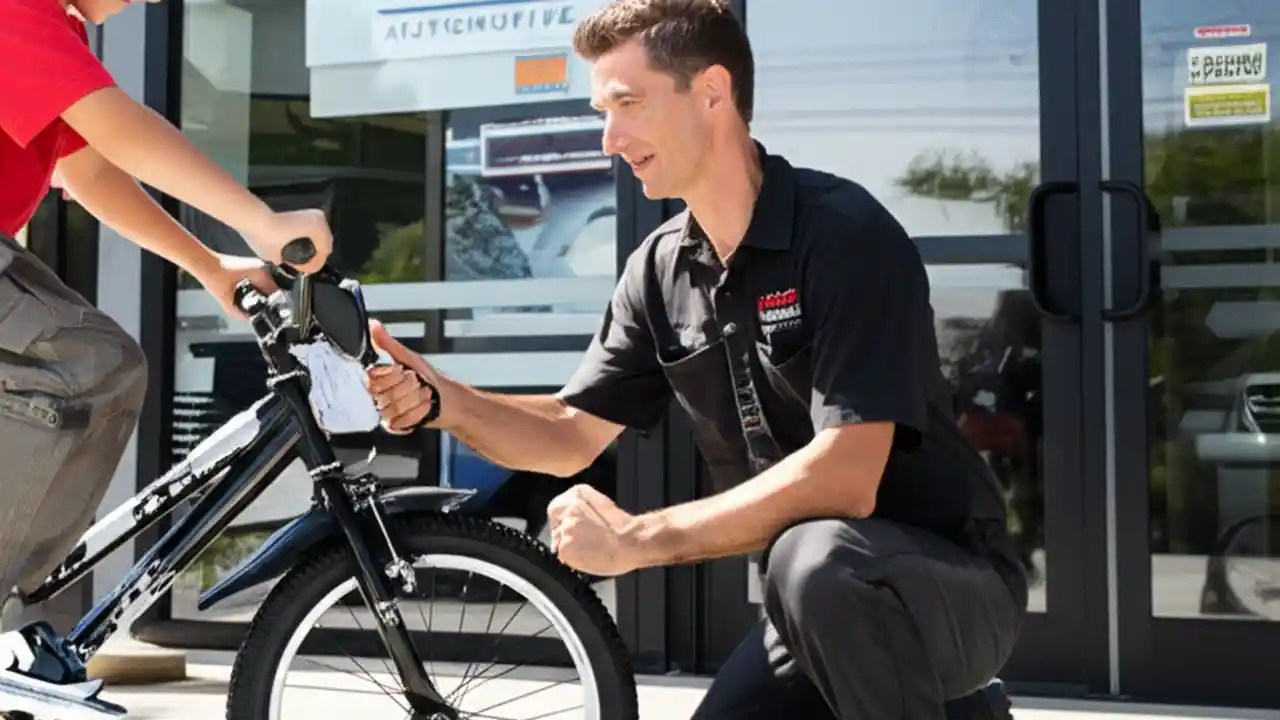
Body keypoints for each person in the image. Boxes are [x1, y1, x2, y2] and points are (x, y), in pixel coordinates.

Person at [365, 0, 1026, 717]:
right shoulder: (661, 270)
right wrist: (447, 402)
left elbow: (847, 479)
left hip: (945, 589)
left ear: (712, 91)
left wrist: (637, 539)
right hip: (809, 603)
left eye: (627, 103)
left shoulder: (844, 237)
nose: (610, 137)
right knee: (804, 576)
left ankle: (959, 701)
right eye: (600, 110)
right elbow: (568, 433)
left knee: (817, 559)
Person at [0, 0, 332, 675]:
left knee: (109, 373)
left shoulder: (55, 28)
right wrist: (258, 220)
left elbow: (91, 170)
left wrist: (210, 266)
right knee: (86, 362)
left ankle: (14, 620)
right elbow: (115, 126)